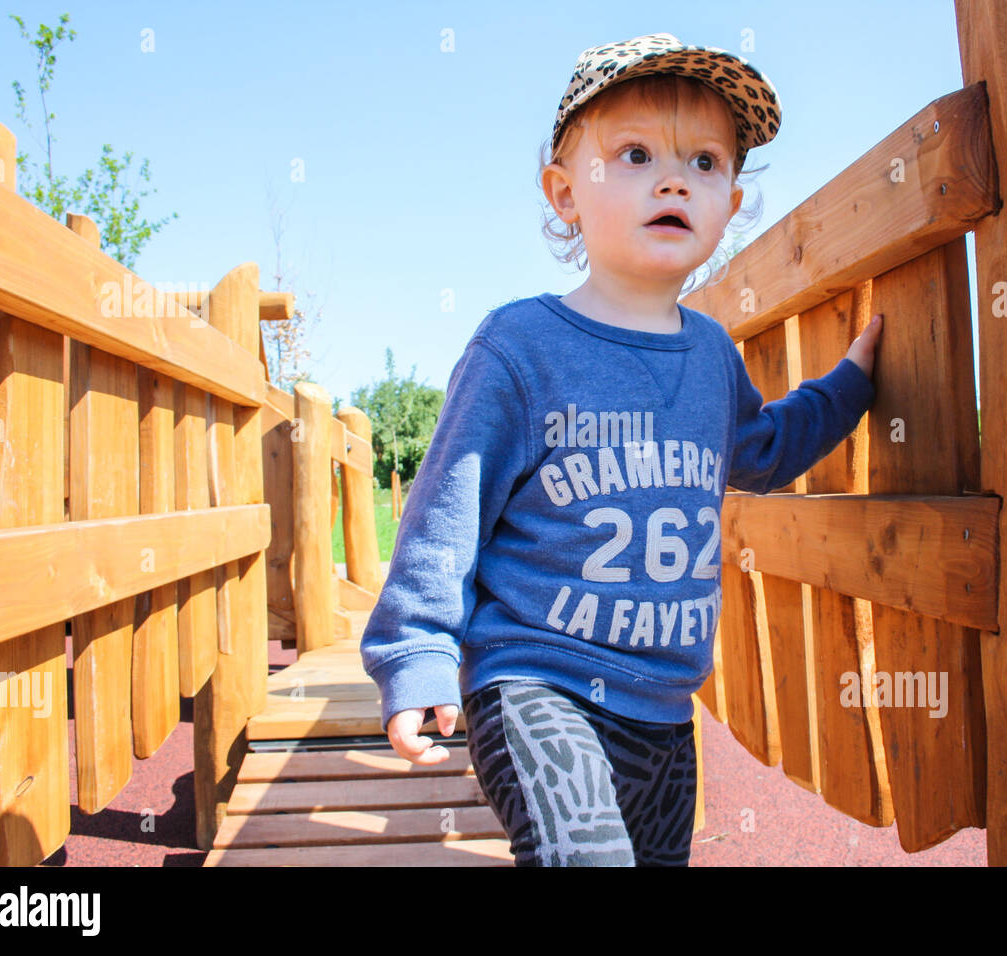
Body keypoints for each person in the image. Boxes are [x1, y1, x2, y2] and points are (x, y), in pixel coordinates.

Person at [360, 32, 883, 866]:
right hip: (537, 684)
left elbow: (761, 449)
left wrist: (849, 387)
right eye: (635, 154)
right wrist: (417, 653)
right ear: (565, 193)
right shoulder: (520, 347)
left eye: (705, 163)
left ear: (732, 203)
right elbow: (443, 516)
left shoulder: (711, 355)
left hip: (666, 711)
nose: (675, 180)